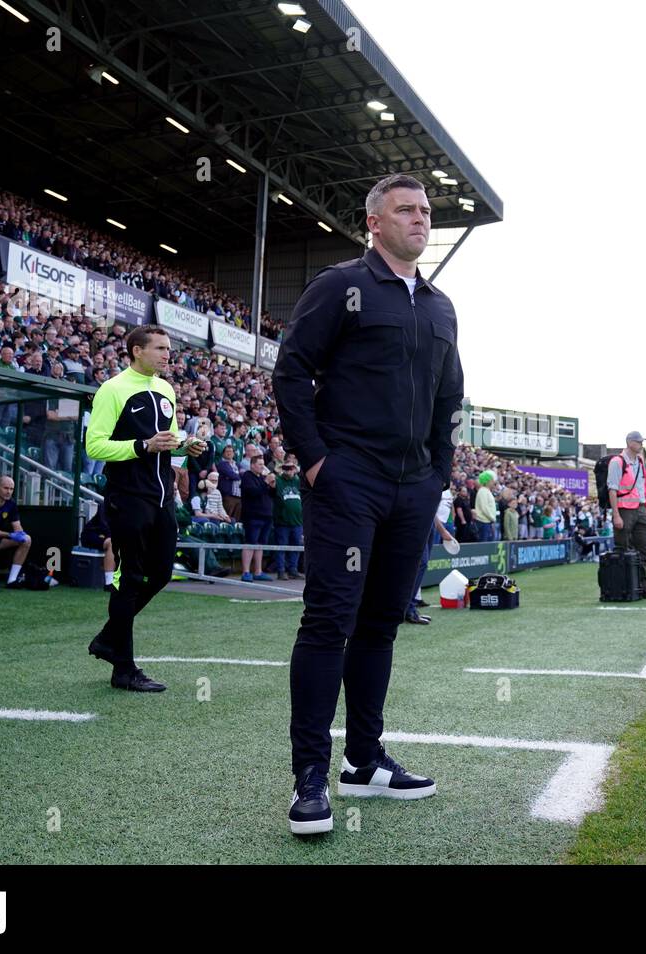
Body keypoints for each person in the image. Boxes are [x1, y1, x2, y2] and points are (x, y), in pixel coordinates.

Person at [272, 173, 463, 836]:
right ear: (374, 221)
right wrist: (318, 460)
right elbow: (290, 370)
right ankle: (309, 781)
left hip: (413, 489)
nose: (421, 219)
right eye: (407, 209)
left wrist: (437, 475)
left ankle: (364, 760)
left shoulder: (441, 307)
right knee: (330, 621)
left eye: (427, 210)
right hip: (349, 480)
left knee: (381, 625)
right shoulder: (339, 286)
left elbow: (448, 399)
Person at [84, 324, 206, 693]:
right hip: (128, 497)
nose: (168, 355)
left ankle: (108, 638)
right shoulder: (113, 389)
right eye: (160, 348)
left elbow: (166, 442)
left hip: (161, 496)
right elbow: (95, 446)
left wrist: (185, 447)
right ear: (136, 350)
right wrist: (143, 446)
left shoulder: (166, 389)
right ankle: (124, 669)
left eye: (168, 349)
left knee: (162, 574)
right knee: (130, 578)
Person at [607, 431, 646, 598]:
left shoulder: (639, 461)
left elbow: (643, 485)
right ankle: (622, 587)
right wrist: (616, 515)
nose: (641, 444)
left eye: (641, 442)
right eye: (638, 442)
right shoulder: (617, 462)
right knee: (622, 548)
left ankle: (642, 587)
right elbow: (612, 489)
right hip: (624, 509)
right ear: (630, 443)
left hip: (640, 508)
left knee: (645, 547)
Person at [406, 488, 459, 625]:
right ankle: (408, 608)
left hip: (430, 522)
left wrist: (441, 530)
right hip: (416, 520)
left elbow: (431, 508)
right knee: (420, 563)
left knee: (422, 564)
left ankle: (409, 608)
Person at [239, 453, 275, 582]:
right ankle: (246, 571)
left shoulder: (261, 477)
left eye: (263, 464)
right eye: (259, 464)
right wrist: (266, 482)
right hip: (253, 515)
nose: (262, 467)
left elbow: (270, 494)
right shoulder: (247, 477)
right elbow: (253, 492)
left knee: (261, 544)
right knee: (250, 543)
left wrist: (272, 485)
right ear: (252, 465)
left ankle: (258, 571)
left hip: (266, 515)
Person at [272, 459, 304, 580]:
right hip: (282, 520)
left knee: (296, 546)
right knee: (281, 546)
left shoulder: (298, 482)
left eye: (291, 468)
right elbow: (269, 477)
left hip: (297, 521)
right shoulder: (278, 480)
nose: (288, 471)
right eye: (286, 468)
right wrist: (278, 470)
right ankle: (281, 570)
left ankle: (293, 569)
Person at [80, 503, 115, 591]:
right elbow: (105, 526)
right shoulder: (107, 504)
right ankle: (109, 583)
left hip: (107, 535)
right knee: (112, 542)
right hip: (93, 534)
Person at [473, 469, 498, 541]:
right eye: (492, 480)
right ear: (488, 481)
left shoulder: (485, 491)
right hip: (483, 522)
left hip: (487, 522)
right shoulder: (483, 491)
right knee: (484, 545)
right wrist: (492, 518)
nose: (494, 482)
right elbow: (484, 508)